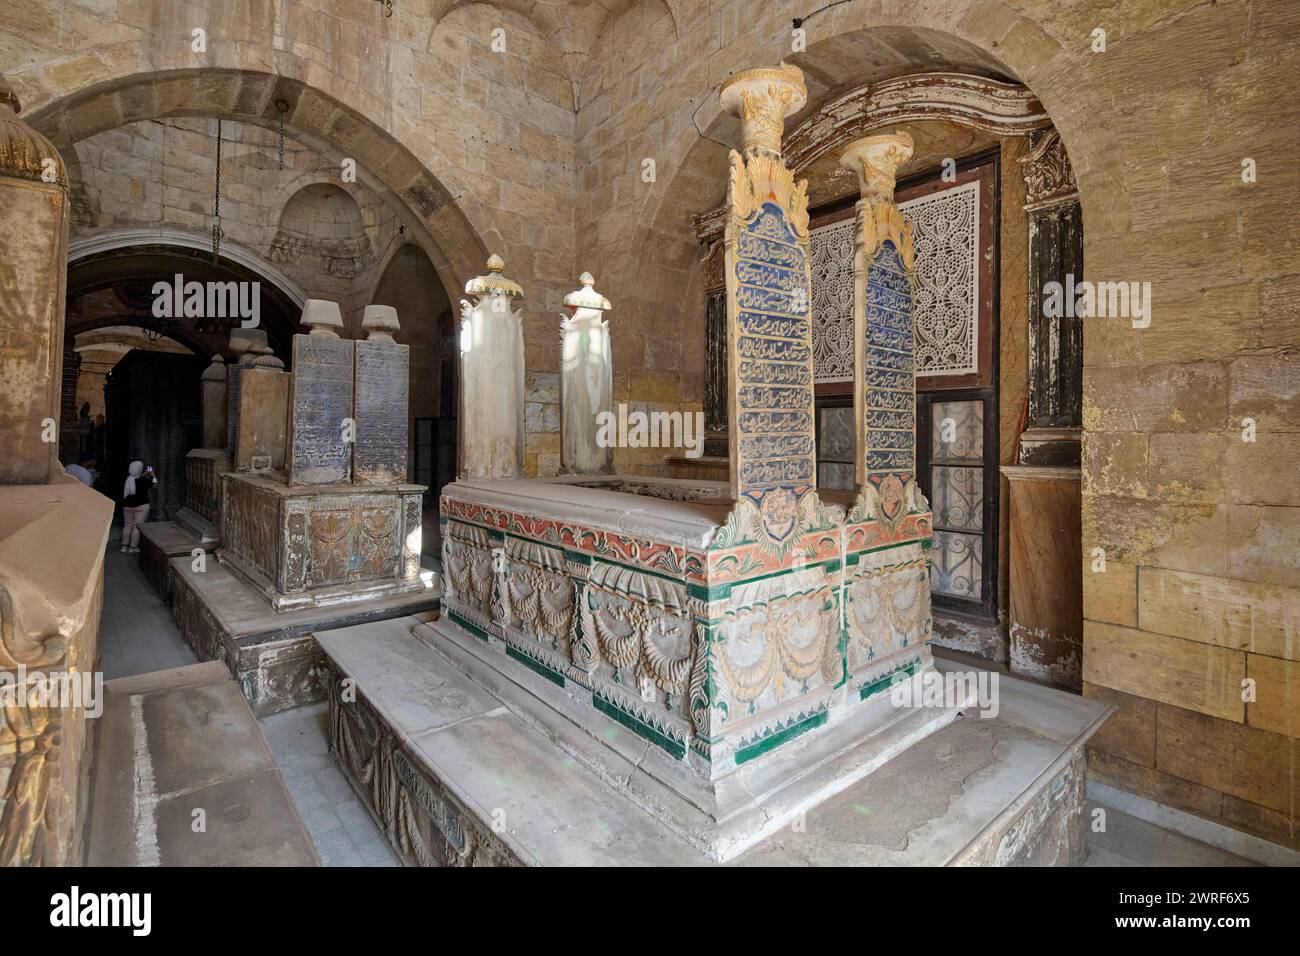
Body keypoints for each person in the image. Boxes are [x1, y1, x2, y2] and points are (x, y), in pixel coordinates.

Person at [120, 461, 155, 553]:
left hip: (127, 507)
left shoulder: (127, 480)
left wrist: (144, 474)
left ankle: (124, 547)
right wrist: (152, 475)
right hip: (142, 507)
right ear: (139, 470)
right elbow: (154, 484)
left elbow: (136, 481)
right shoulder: (144, 481)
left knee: (127, 526)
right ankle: (133, 547)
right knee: (136, 527)